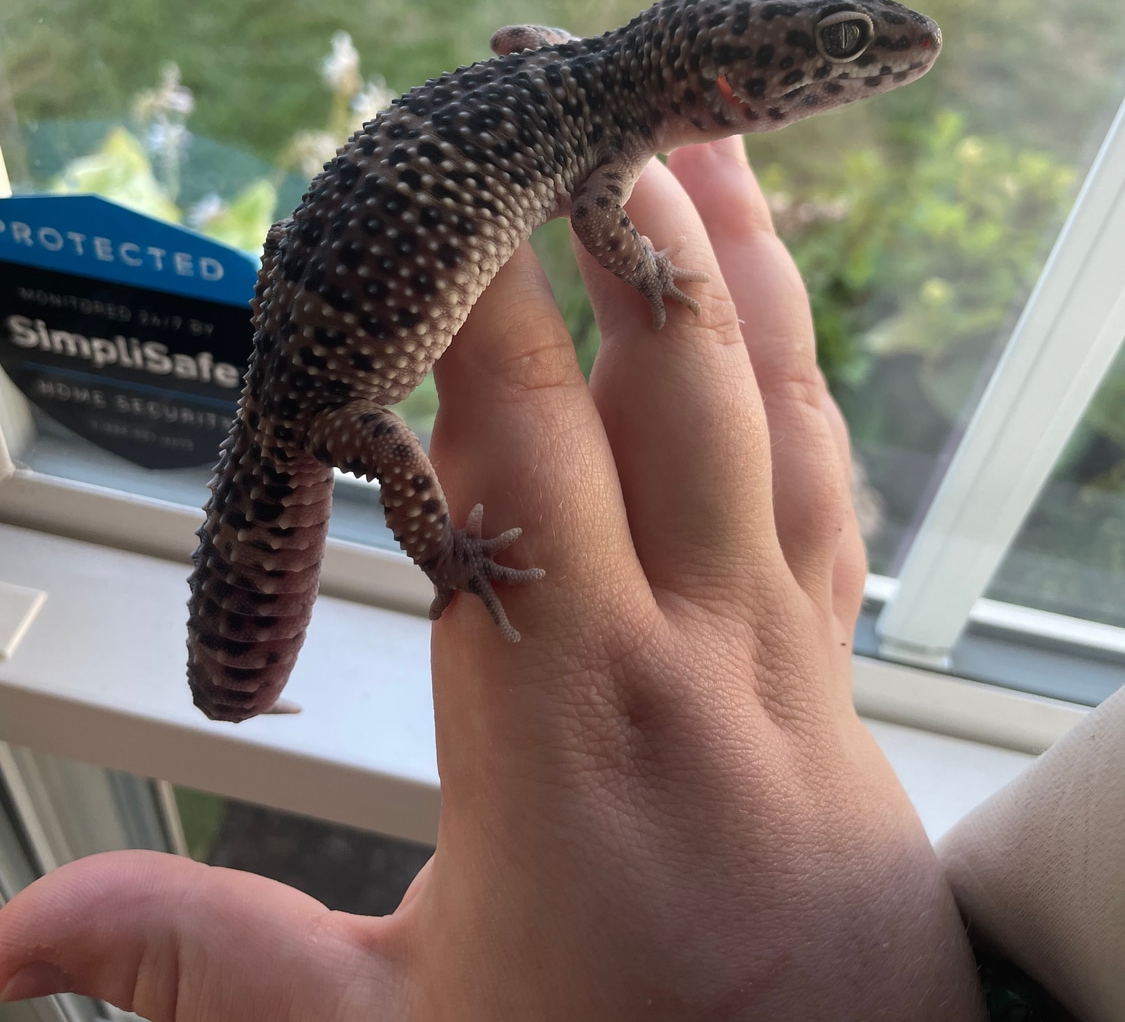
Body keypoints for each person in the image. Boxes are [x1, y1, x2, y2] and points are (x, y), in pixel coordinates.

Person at [0, 139, 991, 1019]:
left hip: (309, 341)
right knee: (392, 454)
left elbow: (525, 52)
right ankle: (440, 564)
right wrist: (448, 555)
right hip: (322, 382)